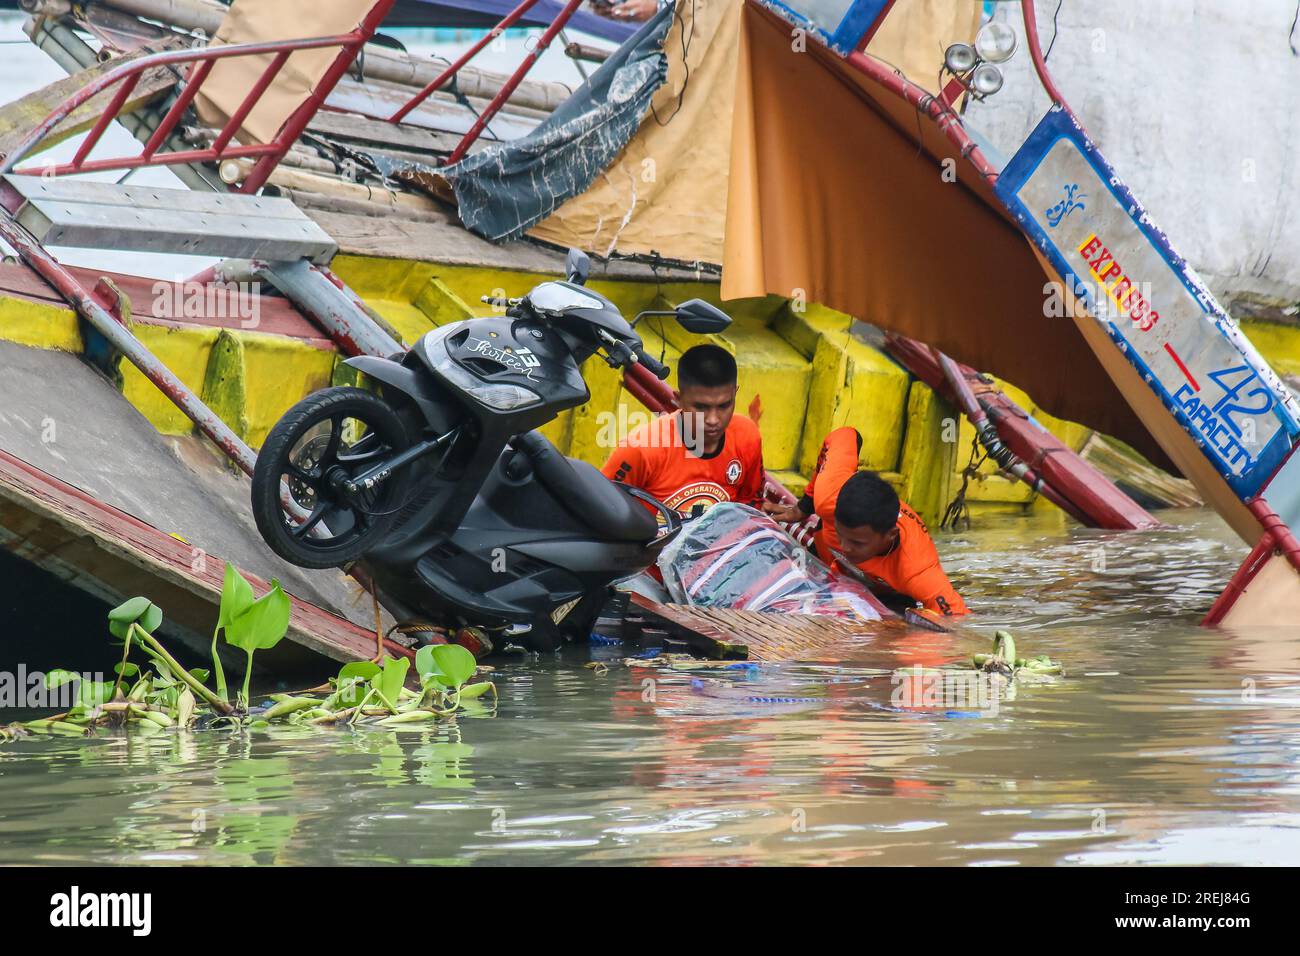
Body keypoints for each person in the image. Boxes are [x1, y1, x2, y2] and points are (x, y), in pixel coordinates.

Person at [764, 426, 968, 617]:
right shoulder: (827, 498)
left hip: (885, 597)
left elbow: (957, 622)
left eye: (857, 543)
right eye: (840, 535)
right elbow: (846, 434)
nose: (845, 548)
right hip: (824, 566)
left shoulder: (917, 571)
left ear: (890, 536)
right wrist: (804, 507)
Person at [602, 344, 764, 518]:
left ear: (735, 394)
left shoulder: (747, 435)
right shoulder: (640, 449)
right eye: (701, 407)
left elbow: (749, 506)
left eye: (724, 405)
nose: (713, 420)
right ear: (678, 400)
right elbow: (603, 510)